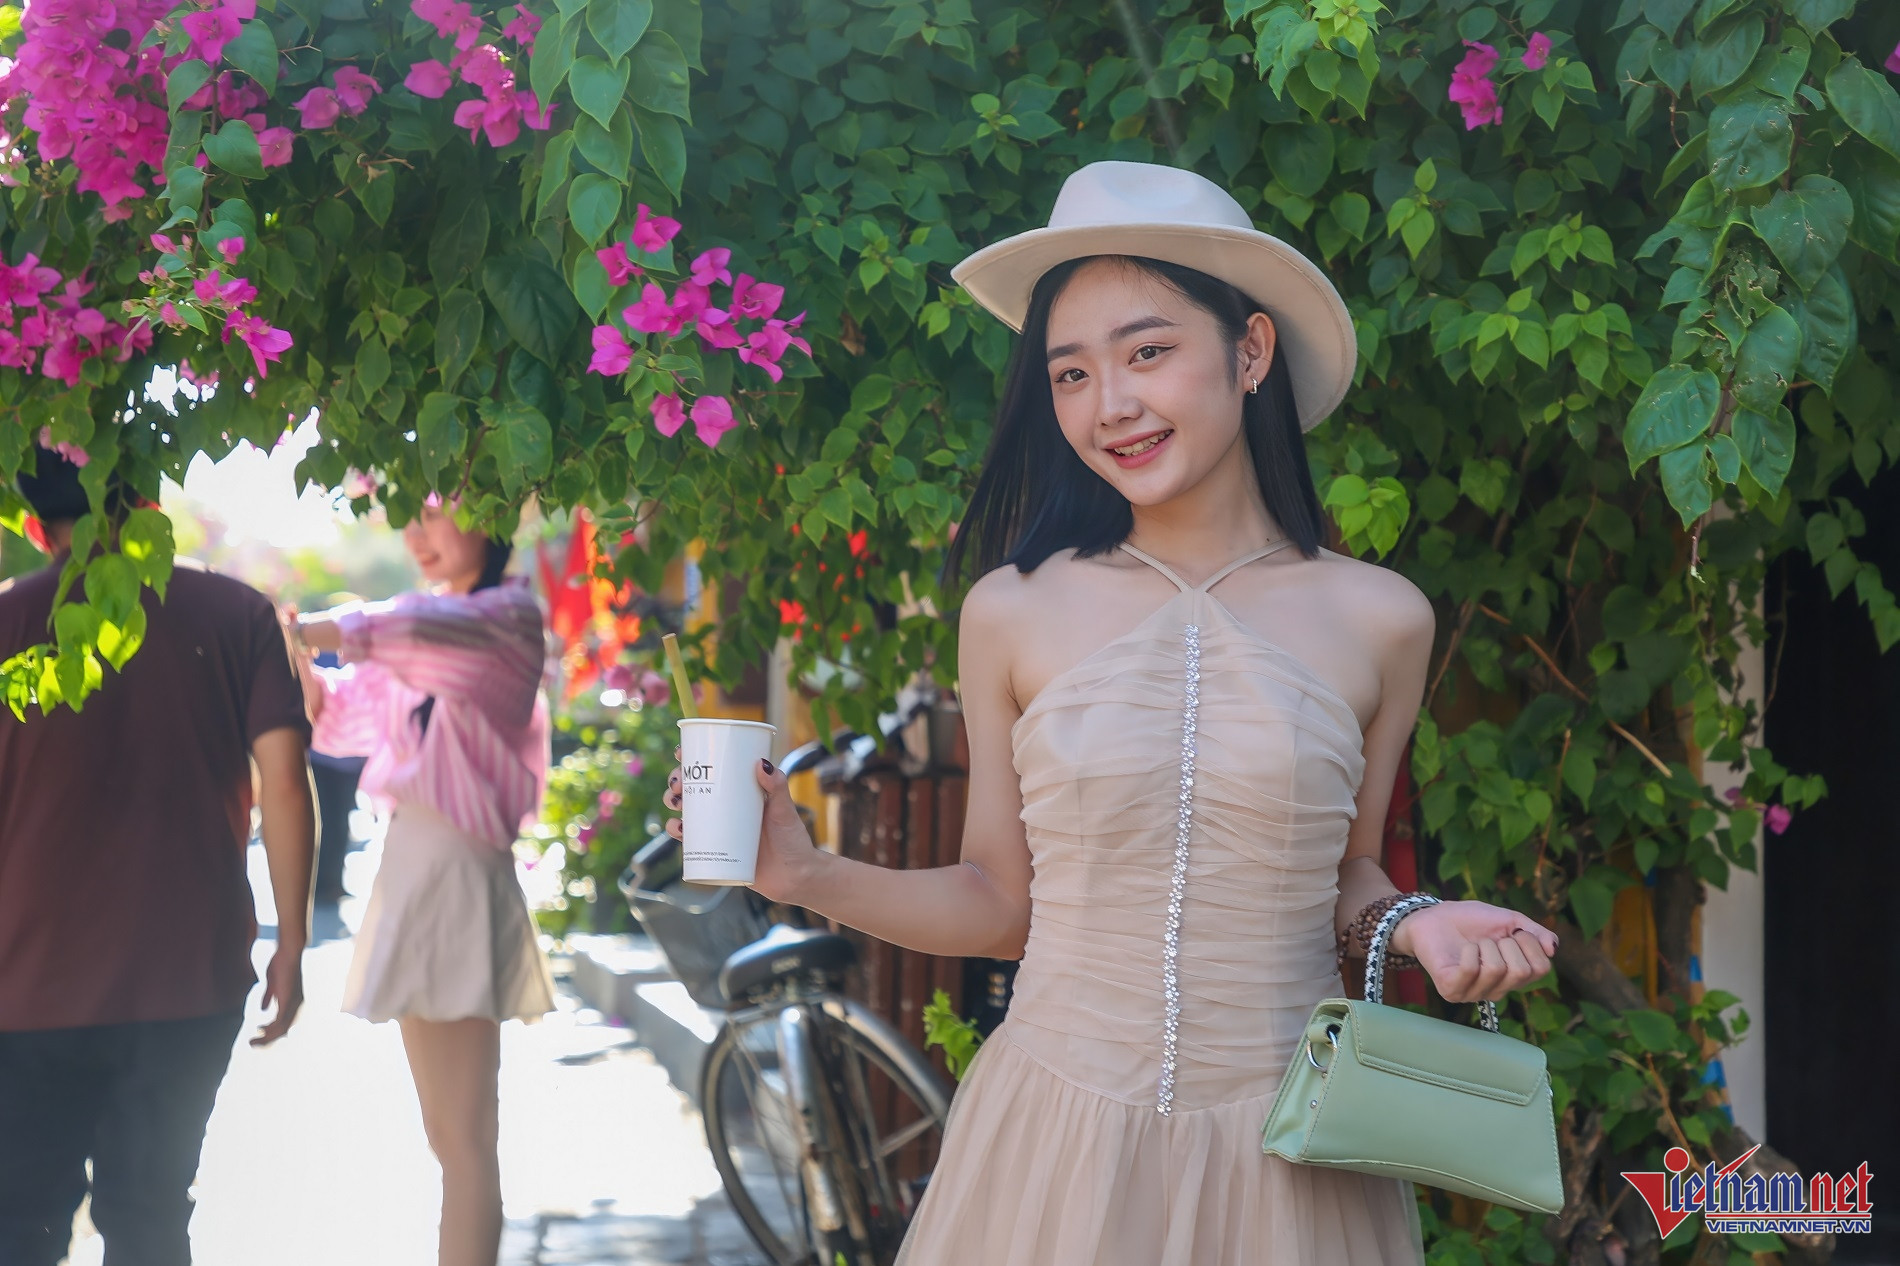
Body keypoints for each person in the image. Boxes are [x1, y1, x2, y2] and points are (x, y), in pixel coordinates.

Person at [664, 161, 1563, 1265]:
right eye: (1071, 373)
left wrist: (1415, 924)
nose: (1111, 405)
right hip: (1052, 1142)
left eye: (1147, 352)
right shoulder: (1011, 610)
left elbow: (1350, 876)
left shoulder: (1382, 618)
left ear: (1248, 352)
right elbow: (1000, 902)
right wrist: (802, 876)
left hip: (1287, 1158)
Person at [0, 446, 315, 1266]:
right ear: (144, 503)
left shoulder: (6, 622)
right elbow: (284, 783)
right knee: (150, 1217)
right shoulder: (237, 613)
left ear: (38, 527)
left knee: (19, 1222)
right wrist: (292, 942)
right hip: (188, 973)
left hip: (23, 979)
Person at [287, 499, 553, 1266]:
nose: (417, 535)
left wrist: (312, 631)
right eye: (411, 519)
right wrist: (297, 655)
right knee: (450, 1136)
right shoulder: (429, 626)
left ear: (491, 521)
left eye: (435, 515)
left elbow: (403, 630)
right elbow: (342, 720)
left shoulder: (506, 616)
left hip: (457, 871)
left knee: (466, 1139)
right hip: (417, 867)